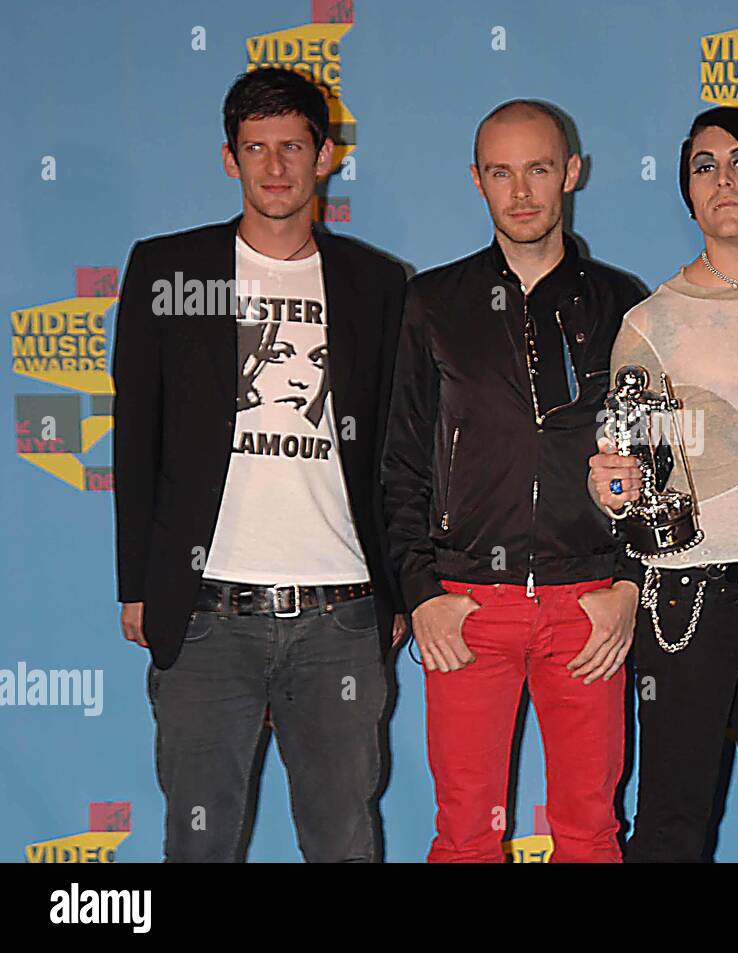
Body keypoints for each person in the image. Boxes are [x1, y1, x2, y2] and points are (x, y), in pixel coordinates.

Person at [113, 67, 407, 862]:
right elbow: (136, 433)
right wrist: (137, 581)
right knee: (198, 843)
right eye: (256, 148)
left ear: (325, 157)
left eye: (292, 147)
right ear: (228, 158)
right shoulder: (171, 272)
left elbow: (394, 448)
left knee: (344, 842)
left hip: (342, 616)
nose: (275, 167)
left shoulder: (378, 285)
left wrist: (403, 588)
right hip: (206, 611)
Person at [382, 100, 646, 863]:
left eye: (537, 168)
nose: (521, 190)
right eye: (501, 172)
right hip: (468, 607)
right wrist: (421, 591)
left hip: (586, 608)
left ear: (572, 173)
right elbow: (399, 462)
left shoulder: (624, 304)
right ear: (477, 181)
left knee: (591, 833)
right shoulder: (431, 303)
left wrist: (627, 584)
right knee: (464, 834)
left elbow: (655, 460)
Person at [588, 106, 738, 862]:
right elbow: (625, 476)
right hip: (690, 601)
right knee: (672, 826)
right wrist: (612, 494)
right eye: (704, 166)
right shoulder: (652, 320)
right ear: (688, 193)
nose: (721, 179)